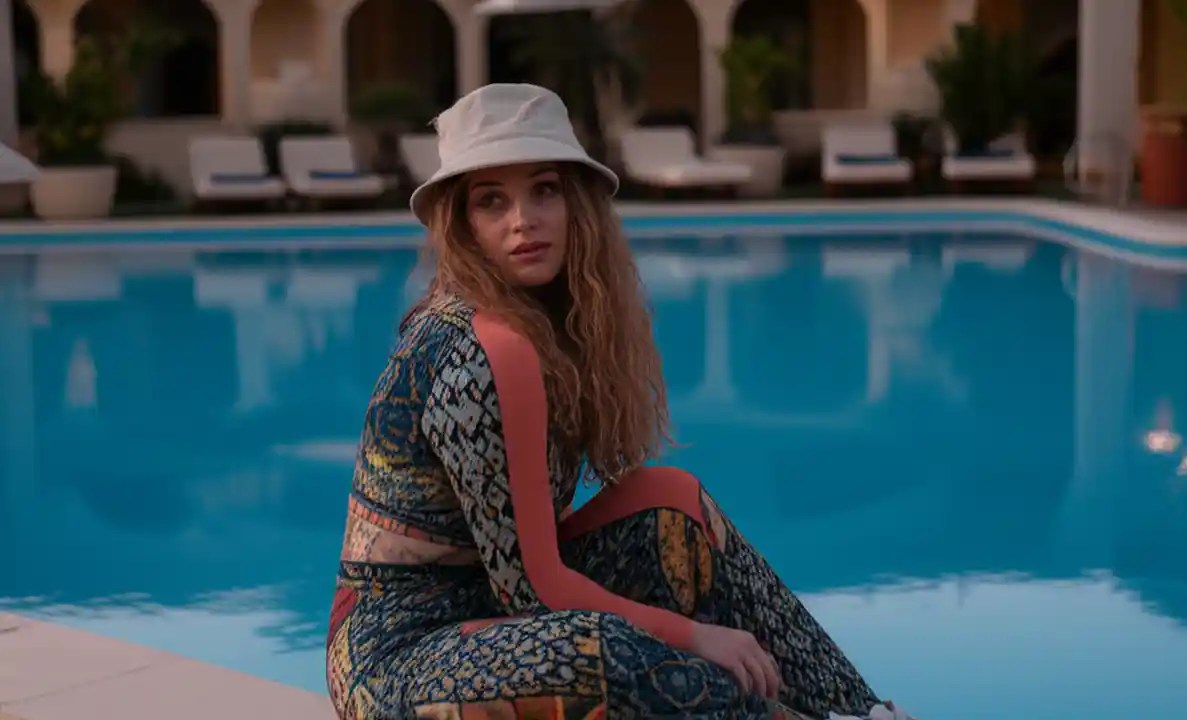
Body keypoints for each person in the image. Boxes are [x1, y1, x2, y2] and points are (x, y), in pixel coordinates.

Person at [325, 83, 914, 720]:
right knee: (598, 649)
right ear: (461, 224)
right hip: (399, 661)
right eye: (492, 201)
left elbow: (529, 571)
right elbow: (533, 592)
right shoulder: (481, 346)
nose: (524, 220)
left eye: (544, 190)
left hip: (486, 612)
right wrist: (698, 637)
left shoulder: (546, 327)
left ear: (577, 205)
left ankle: (865, 711)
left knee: (672, 504)